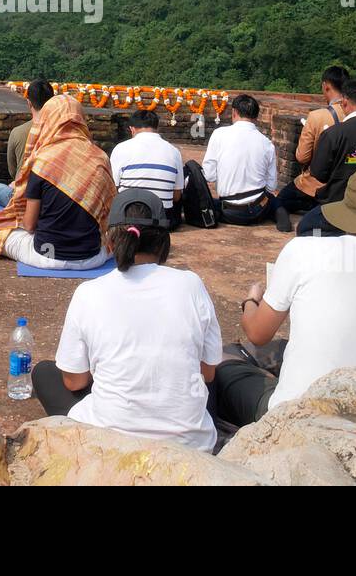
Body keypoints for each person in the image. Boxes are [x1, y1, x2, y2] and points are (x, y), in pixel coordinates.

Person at [212, 167, 356, 427]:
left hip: (296, 418)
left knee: (223, 361)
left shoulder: (304, 249)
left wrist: (251, 301)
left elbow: (257, 334)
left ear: (347, 207)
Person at [30, 189, 223, 451]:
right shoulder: (191, 284)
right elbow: (207, 372)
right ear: (165, 243)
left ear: (110, 243)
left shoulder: (89, 293)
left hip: (109, 445)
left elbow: (74, 382)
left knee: (44, 372)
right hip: (191, 445)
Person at [0, 94, 114, 269]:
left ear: (48, 119)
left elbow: (30, 225)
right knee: (115, 240)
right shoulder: (100, 158)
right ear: (80, 118)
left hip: (47, 255)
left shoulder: (43, 161)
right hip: (92, 257)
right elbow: (108, 215)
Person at [275, 65, 348, 225]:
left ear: (326, 86)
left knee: (280, 200)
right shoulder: (353, 116)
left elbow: (302, 156)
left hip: (314, 185)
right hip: (343, 186)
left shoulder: (317, 117)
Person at [202, 94, 283, 230]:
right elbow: (271, 186)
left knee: (209, 203)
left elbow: (209, 176)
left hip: (229, 211)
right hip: (258, 211)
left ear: (234, 112)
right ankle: (280, 214)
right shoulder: (267, 143)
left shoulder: (219, 134)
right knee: (276, 201)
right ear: (256, 117)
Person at [0, 78, 55, 210]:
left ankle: (12, 216)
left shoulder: (18, 132)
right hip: (52, 196)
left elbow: (13, 171)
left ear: (29, 102)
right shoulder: (59, 131)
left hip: (25, 194)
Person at [109, 108, 185, 220]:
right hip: (162, 217)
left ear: (132, 129)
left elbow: (112, 188)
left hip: (128, 215)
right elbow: (176, 196)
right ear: (156, 128)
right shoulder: (174, 151)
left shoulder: (121, 148)